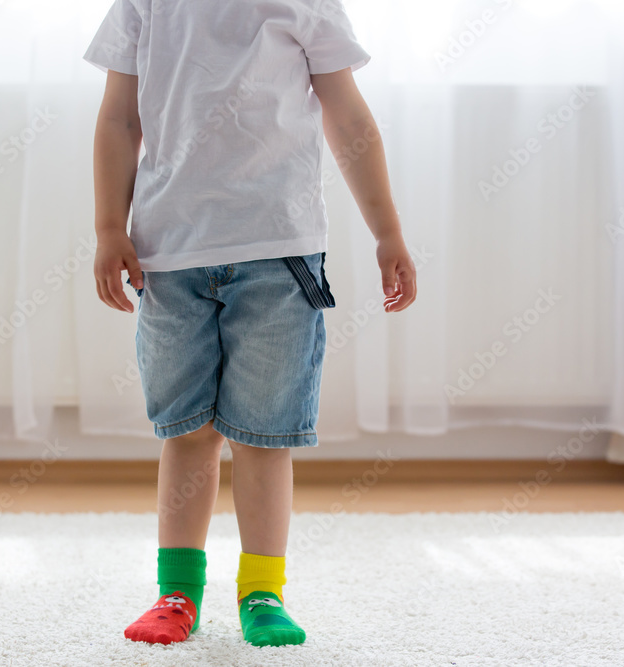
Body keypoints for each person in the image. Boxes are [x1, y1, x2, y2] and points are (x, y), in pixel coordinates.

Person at [85, 0, 416, 648]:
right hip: (170, 255)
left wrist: (389, 232)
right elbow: (119, 119)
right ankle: (176, 593)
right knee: (189, 430)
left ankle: (262, 590)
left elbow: (349, 119)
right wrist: (107, 226)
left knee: (265, 434)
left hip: (280, 254)